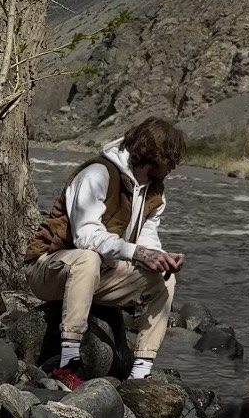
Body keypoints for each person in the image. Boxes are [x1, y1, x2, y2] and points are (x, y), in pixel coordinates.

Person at [25, 115, 186, 389]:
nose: (172, 168)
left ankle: (140, 371)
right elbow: (84, 235)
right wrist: (136, 253)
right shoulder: (97, 174)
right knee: (88, 257)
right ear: (155, 156)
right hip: (49, 268)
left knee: (165, 278)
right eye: (170, 161)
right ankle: (68, 362)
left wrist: (160, 258)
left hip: (102, 273)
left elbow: (146, 240)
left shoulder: (153, 192)